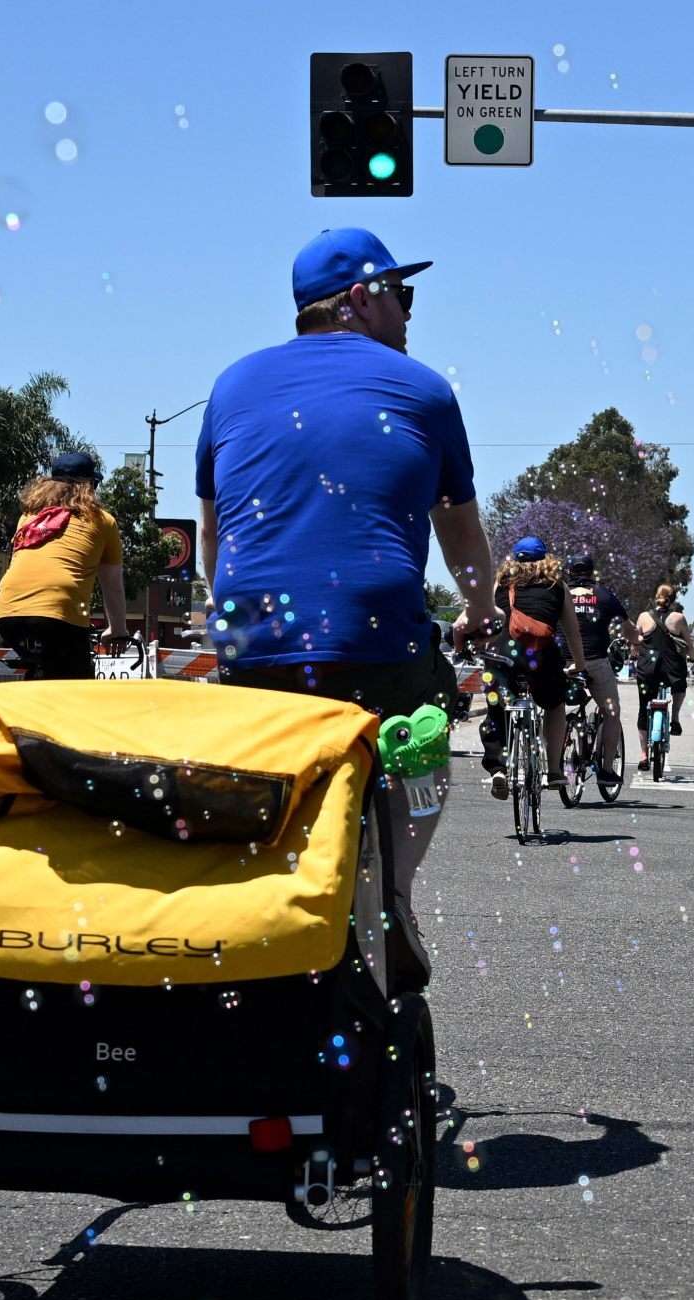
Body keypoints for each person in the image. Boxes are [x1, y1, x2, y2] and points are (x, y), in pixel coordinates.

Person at [196, 226, 497, 982]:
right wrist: (483, 609)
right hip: (375, 641)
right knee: (425, 733)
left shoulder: (231, 383)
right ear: (361, 299)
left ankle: (257, 899)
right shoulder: (423, 388)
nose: (410, 310)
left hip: (253, 645)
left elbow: (213, 535)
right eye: (404, 293)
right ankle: (394, 886)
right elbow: (460, 534)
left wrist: (230, 615)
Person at [0, 452, 129, 680]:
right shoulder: (103, 521)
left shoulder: (28, 517)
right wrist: (117, 630)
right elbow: (112, 587)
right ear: (90, 486)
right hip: (60, 615)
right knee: (75, 690)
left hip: (7, 615)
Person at [468, 538, 589, 796]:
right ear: (545, 559)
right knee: (555, 703)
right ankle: (554, 771)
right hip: (541, 655)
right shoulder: (558, 586)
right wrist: (579, 665)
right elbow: (573, 633)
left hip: (501, 655)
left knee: (496, 708)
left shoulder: (501, 584)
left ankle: (498, 769)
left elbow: (487, 620)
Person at [565, 551, 641, 783]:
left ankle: (554, 767)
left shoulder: (558, 592)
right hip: (595, 662)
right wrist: (638, 641)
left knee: (553, 710)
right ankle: (607, 770)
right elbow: (628, 628)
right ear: (591, 572)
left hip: (562, 664)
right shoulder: (605, 595)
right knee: (612, 713)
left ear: (569, 572)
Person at [635, 584, 693, 769]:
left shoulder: (644, 617)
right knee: (680, 685)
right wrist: (692, 656)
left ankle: (643, 756)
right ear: (673, 599)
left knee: (644, 709)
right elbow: (689, 645)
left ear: (656, 596)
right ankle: (675, 717)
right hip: (672, 671)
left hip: (647, 671)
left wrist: (634, 653)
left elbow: (635, 644)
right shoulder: (678, 618)